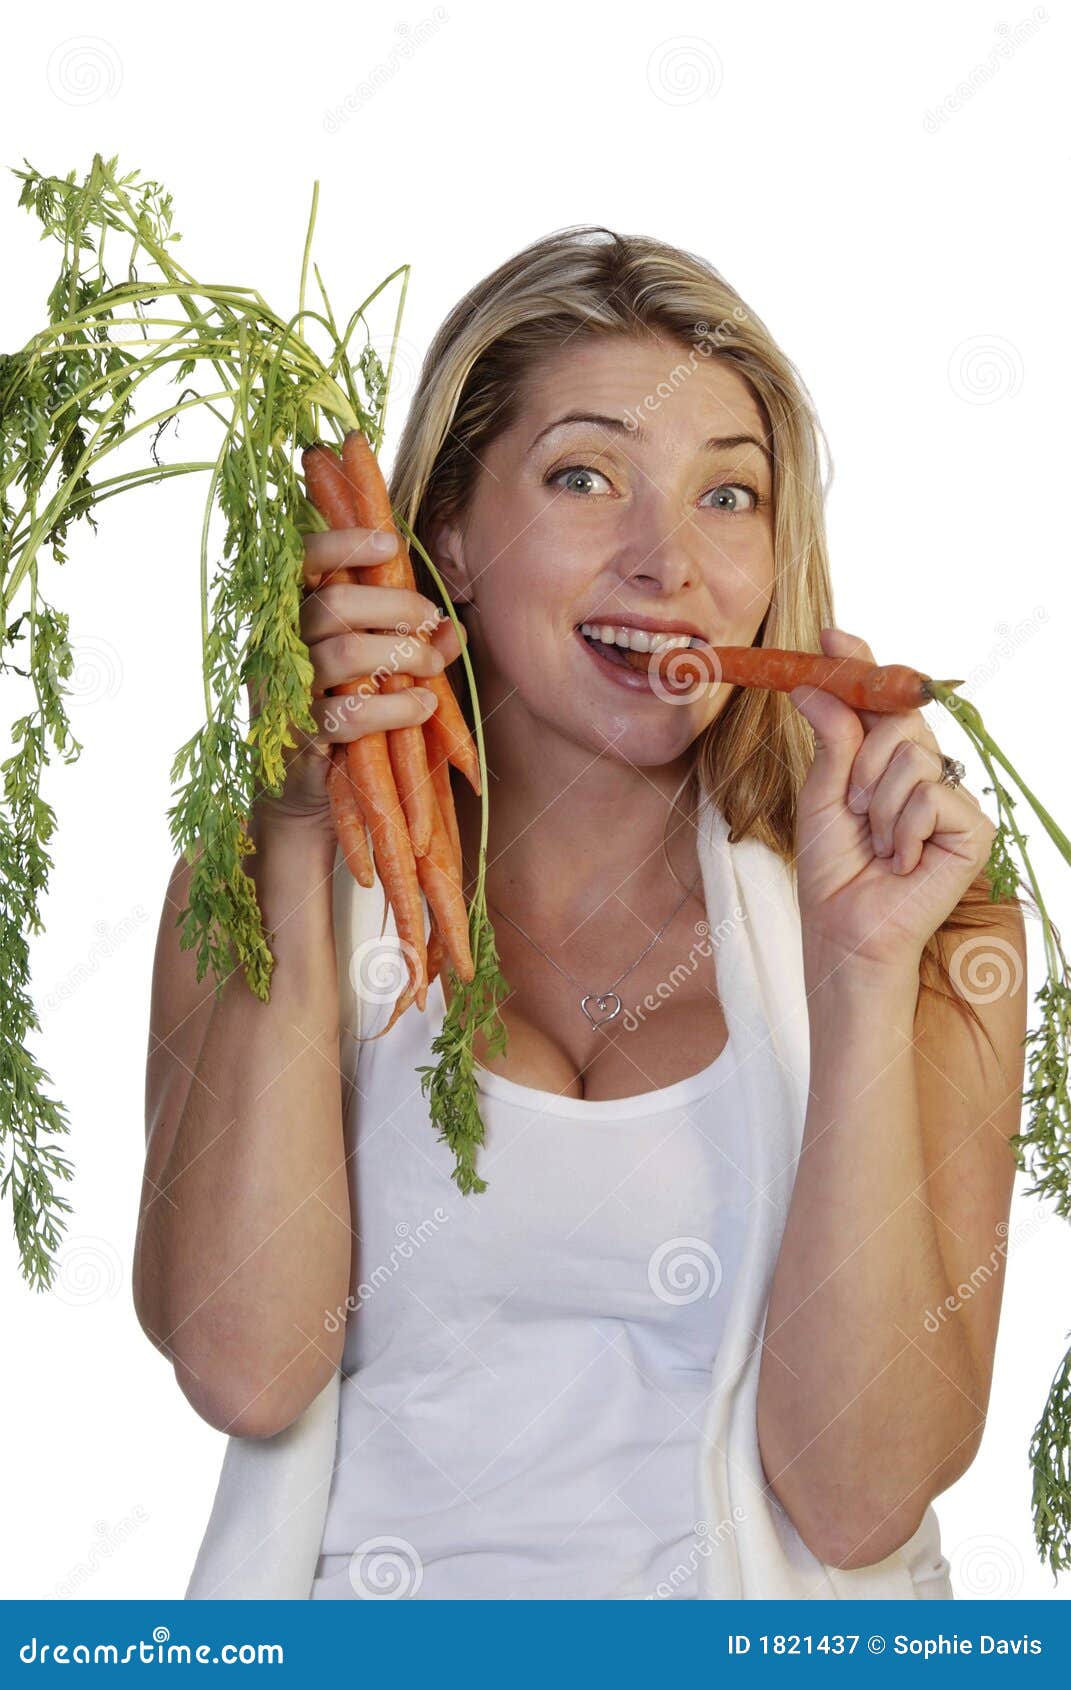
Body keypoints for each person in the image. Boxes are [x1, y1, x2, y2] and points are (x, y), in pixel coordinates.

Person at [135, 227, 1028, 1600]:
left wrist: (856, 977)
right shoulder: (254, 887)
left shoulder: (932, 931)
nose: (667, 560)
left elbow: (857, 1500)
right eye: (584, 476)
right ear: (448, 536)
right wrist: (301, 829)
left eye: (729, 497)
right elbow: (246, 1366)